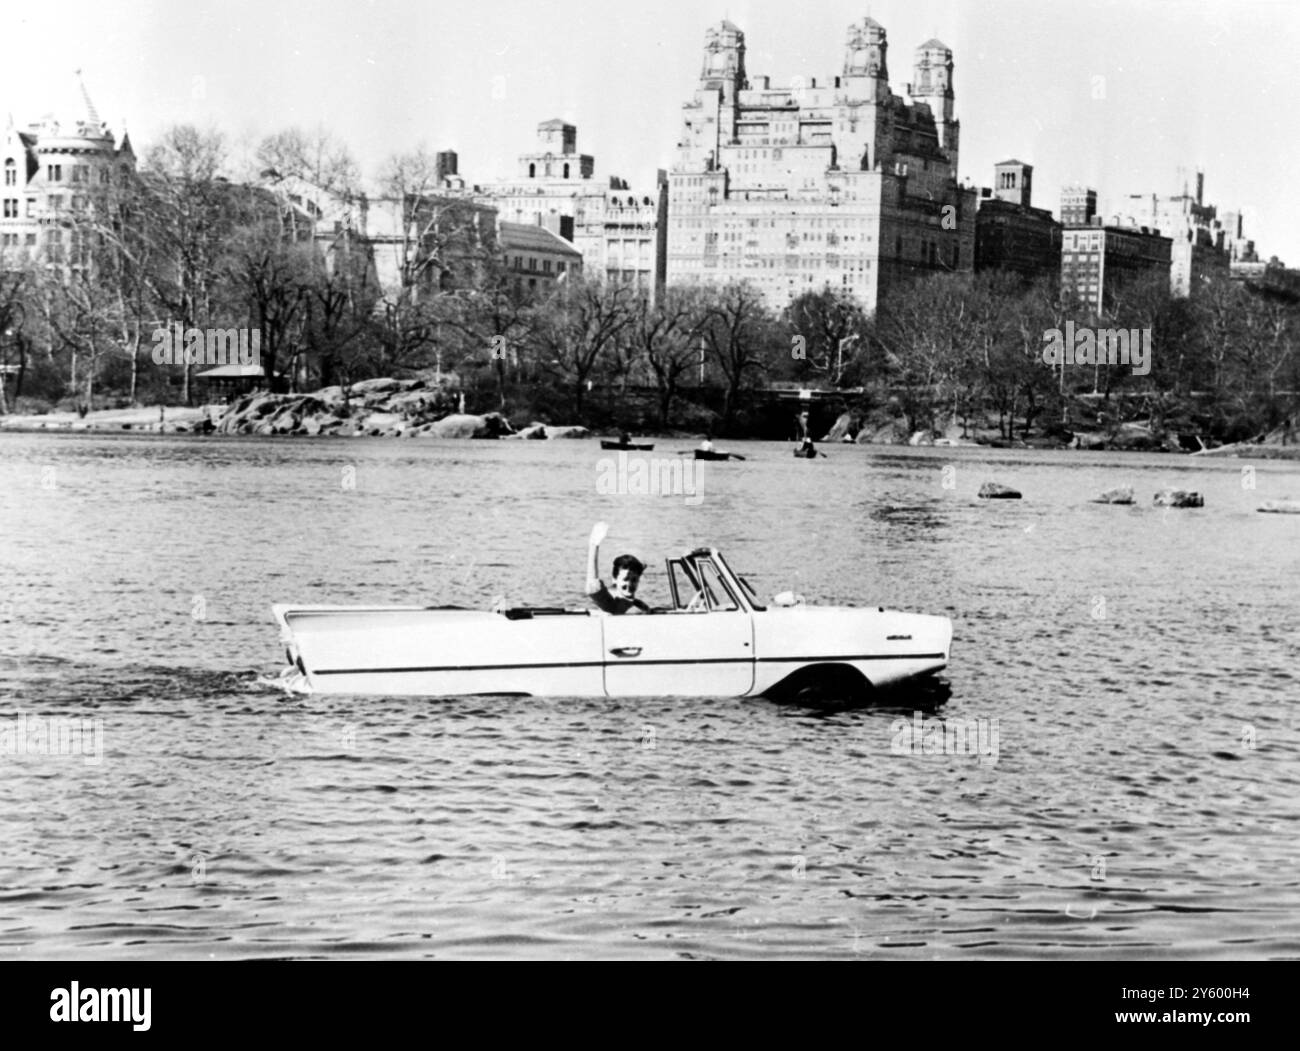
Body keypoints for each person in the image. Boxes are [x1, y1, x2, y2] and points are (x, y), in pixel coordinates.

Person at [585, 522, 650, 614]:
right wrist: (594, 545)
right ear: (615, 579)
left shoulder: (640, 605)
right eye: (625, 579)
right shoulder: (612, 604)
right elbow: (592, 586)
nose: (630, 584)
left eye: (634, 580)